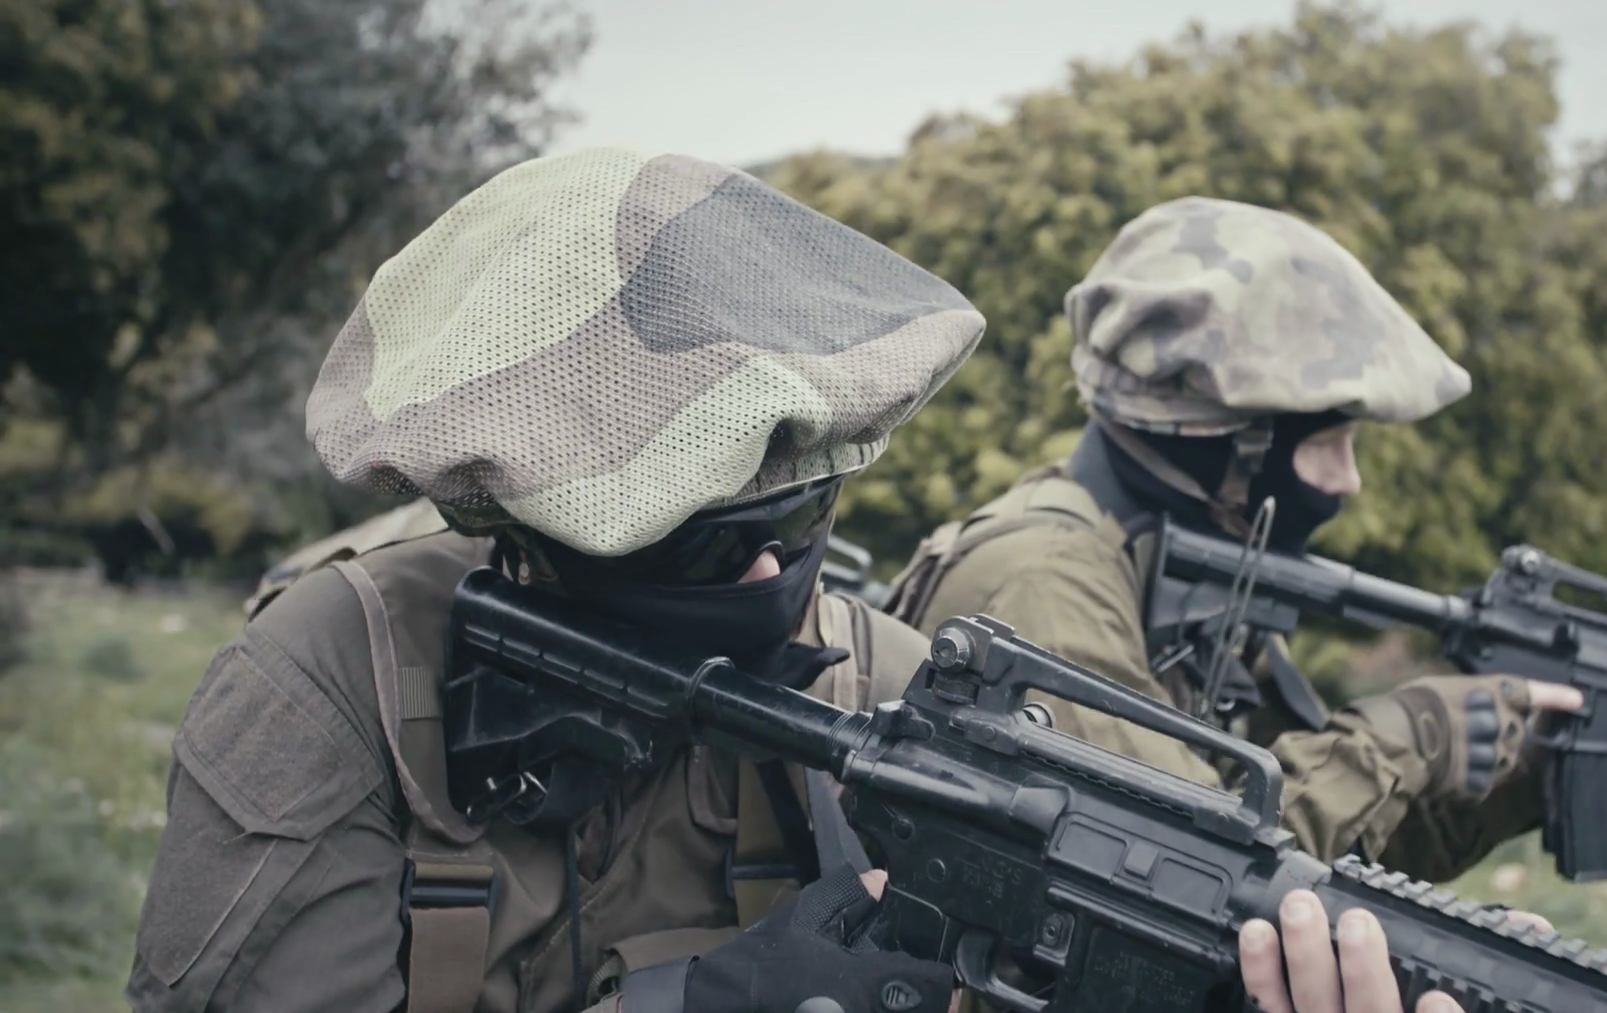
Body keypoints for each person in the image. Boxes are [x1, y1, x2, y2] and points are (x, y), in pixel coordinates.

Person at [126, 148, 1468, 1013]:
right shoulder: (331, 683)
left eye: (809, 515)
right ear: (544, 521)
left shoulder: (874, 678)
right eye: (711, 543)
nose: (776, 575)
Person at [886, 197, 1607, 882]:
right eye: (1327, 444)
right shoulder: (1044, 583)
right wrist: (1408, 736)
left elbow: (1319, 868)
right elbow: (1190, 879)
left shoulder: (1160, 576)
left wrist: (1532, 768)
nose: (1348, 483)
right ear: (1230, 447)